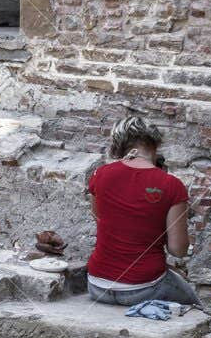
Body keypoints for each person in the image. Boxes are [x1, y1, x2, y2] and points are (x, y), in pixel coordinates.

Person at [85, 116, 201, 308]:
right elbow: (178, 250)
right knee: (196, 306)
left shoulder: (100, 174)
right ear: (155, 144)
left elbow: (99, 217)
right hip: (144, 288)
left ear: (119, 146)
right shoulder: (171, 185)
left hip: (97, 285)